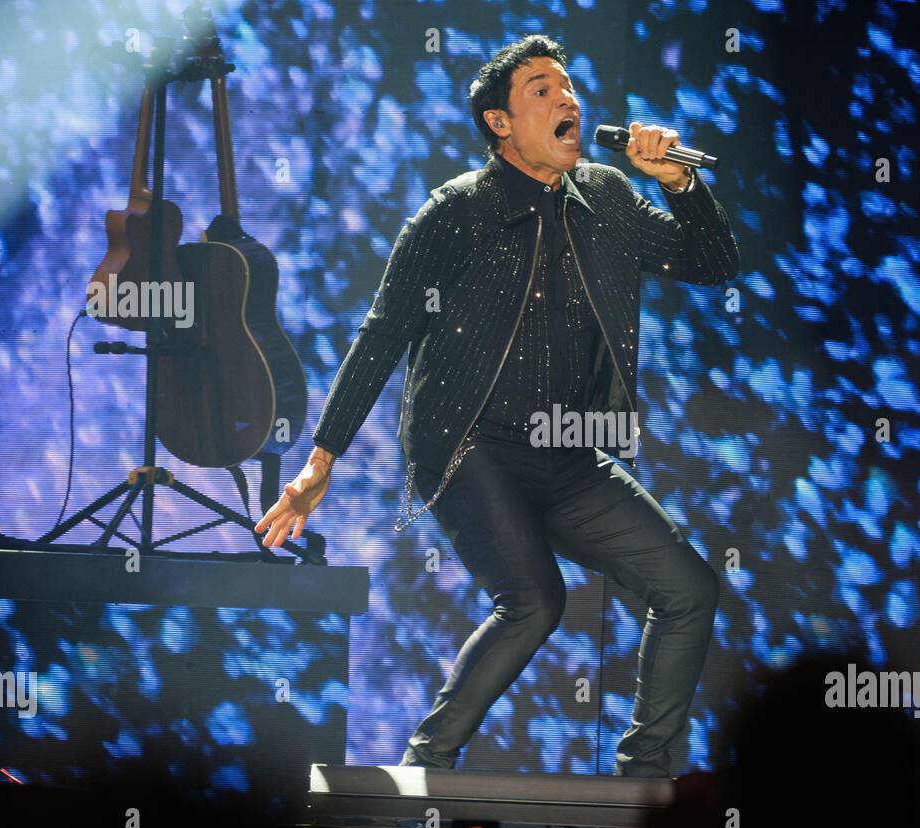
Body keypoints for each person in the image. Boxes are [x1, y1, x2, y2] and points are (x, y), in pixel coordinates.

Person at [255, 34, 739, 778]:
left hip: (572, 454)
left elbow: (711, 265)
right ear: (499, 124)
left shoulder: (607, 196)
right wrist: (319, 462)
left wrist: (679, 183)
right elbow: (382, 336)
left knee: (689, 590)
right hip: (470, 444)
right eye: (542, 90)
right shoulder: (456, 212)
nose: (567, 98)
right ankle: (428, 762)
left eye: (568, 86)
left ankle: (645, 779)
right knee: (535, 601)